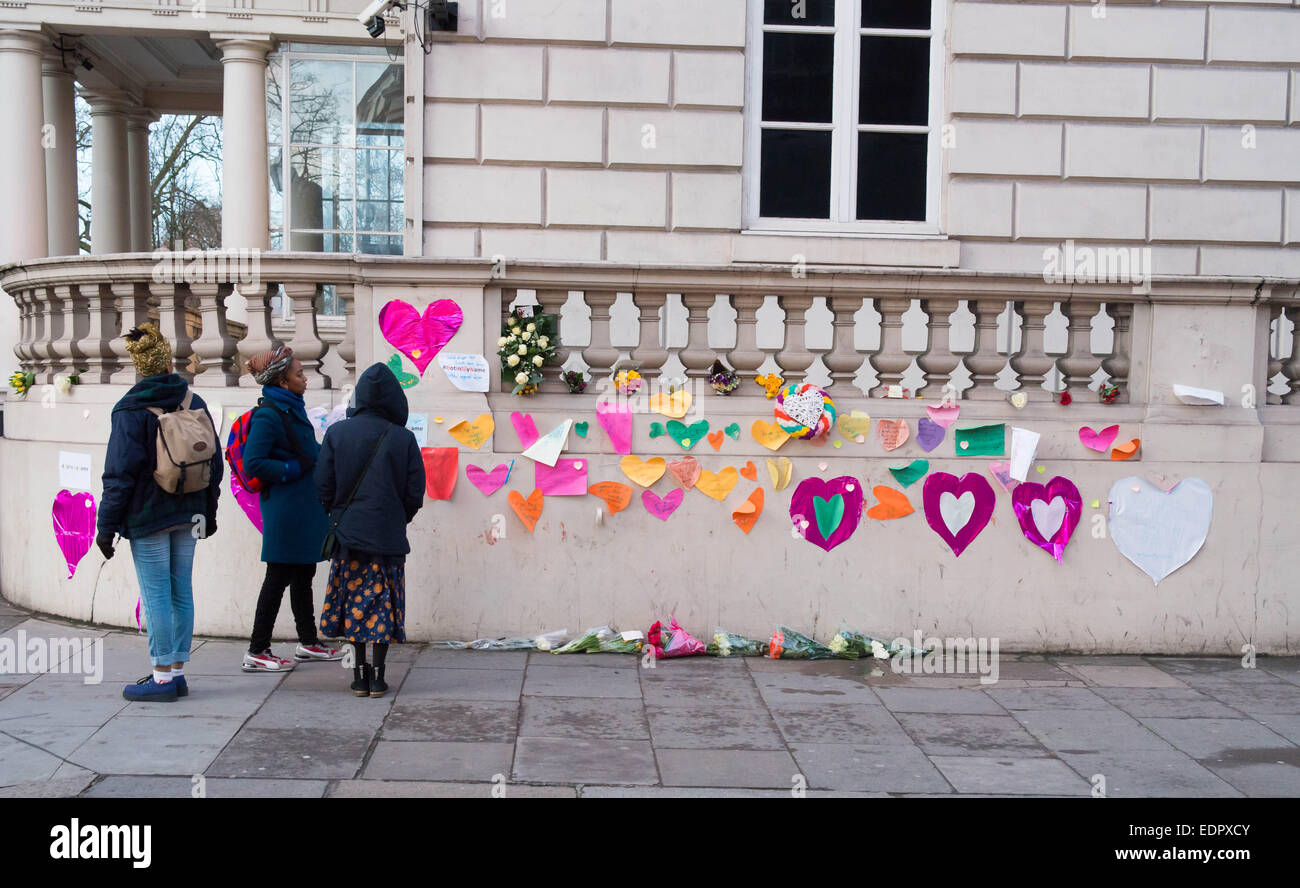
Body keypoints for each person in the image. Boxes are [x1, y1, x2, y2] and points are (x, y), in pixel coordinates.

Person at [97, 323, 222, 703]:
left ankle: (161, 678)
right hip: (189, 511)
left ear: (139, 368)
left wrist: (107, 526)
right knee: (180, 589)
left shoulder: (130, 408)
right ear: (168, 363)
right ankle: (178, 672)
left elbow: (119, 473)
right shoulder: (193, 402)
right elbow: (214, 464)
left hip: (148, 516)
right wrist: (209, 511)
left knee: (155, 596)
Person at [315, 362, 425, 697]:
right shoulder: (403, 438)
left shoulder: (337, 433)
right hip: (387, 539)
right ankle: (378, 676)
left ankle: (359, 675)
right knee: (382, 606)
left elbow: (323, 486)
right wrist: (396, 517)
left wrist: (339, 516)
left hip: (348, 537)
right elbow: (414, 491)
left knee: (353, 604)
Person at [240, 346, 342, 672]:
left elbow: (306, 450)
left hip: (301, 508)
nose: (305, 379)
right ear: (283, 381)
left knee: (303, 574)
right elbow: (255, 462)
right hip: (285, 510)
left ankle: (308, 641)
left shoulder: (291, 409)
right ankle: (258, 649)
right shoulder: (270, 414)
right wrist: (292, 470)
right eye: (299, 374)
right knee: (278, 577)